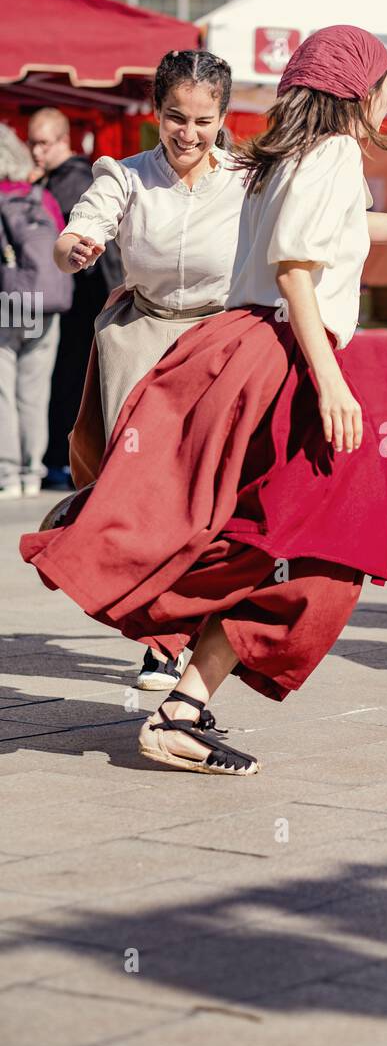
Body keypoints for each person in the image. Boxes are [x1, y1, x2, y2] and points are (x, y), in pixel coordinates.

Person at [20, 25, 387, 776]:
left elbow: (333, 230)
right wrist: (333, 380)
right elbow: (296, 271)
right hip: (281, 351)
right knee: (341, 532)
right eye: (384, 89)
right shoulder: (332, 153)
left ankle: (177, 689)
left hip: (235, 347)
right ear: (362, 92)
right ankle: (124, 548)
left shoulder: (277, 158)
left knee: (271, 534)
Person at [51, 50, 247, 693]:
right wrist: (74, 247)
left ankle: (187, 624)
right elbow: (76, 233)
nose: (188, 134)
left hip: (219, 340)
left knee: (207, 492)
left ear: (224, 117)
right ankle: (161, 638)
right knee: (144, 491)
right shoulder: (125, 176)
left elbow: (331, 228)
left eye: (203, 121)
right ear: (155, 114)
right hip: (141, 335)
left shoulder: (250, 177)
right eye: (174, 118)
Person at [27, 109, 111, 489]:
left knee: (66, 383)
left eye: (43, 143)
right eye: (32, 143)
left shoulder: (75, 182)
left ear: (64, 140)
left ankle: (63, 462)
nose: (36, 151)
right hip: (60, 303)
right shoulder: (48, 182)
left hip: (80, 305)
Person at [0, 124, 69, 499]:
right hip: (47, 301)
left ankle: (7, 473)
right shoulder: (41, 198)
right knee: (34, 391)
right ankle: (31, 471)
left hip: (10, 302)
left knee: (4, 390)